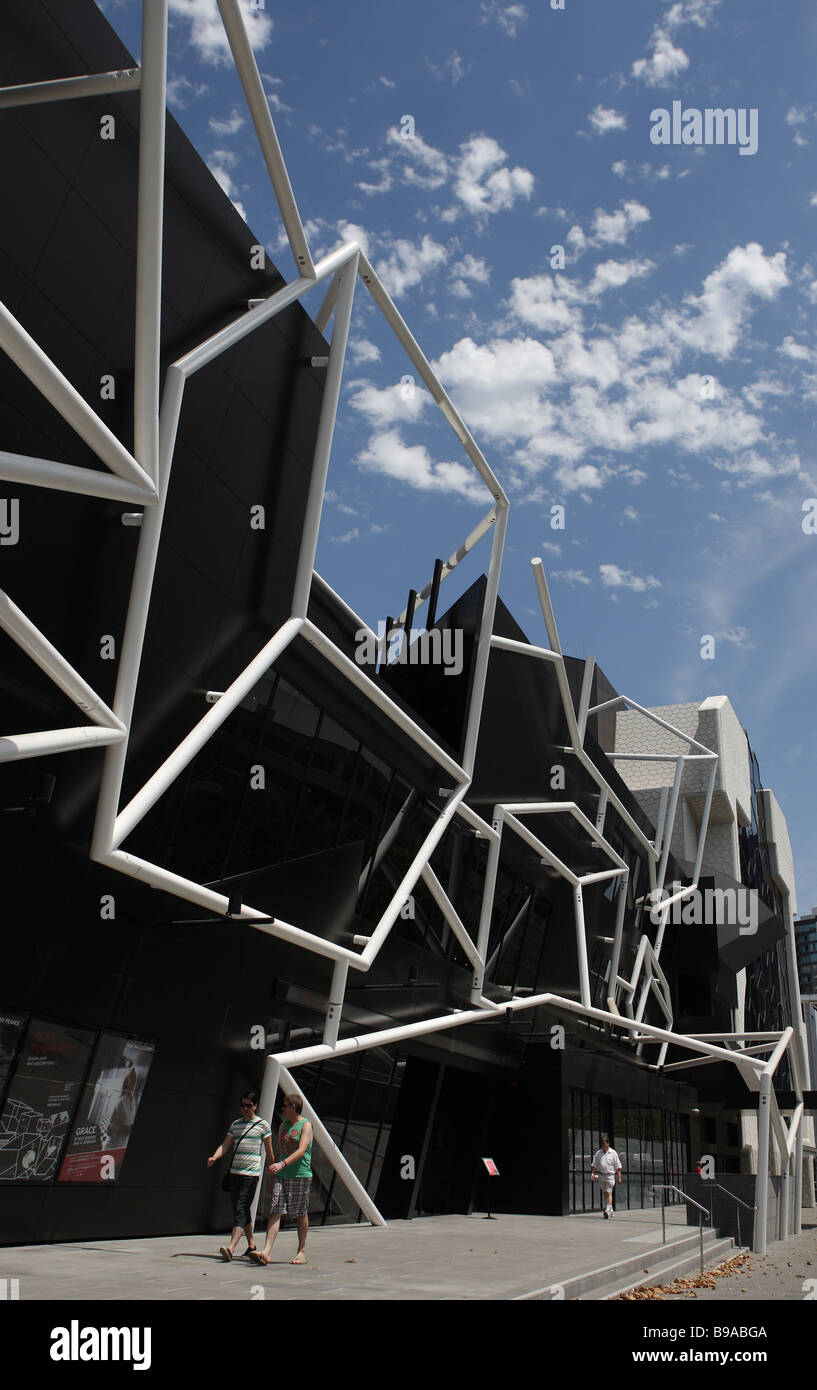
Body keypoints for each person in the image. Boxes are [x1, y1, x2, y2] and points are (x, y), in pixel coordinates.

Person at [207, 1092, 273, 1260]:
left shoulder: (262, 1125)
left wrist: (273, 1167)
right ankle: (251, 1244)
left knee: (240, 1208)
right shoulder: (235, 1124)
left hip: (251, 1175)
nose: (244, 1108)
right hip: (235, 1173)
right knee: (242, 1209)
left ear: (255, 1106)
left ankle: (231, 1248)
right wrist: (215, 1156)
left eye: (248, 1105)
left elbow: (269, 1149)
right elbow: (225, 1144)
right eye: (242, 1105)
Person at [251, 1093, 313, 1266]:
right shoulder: (284, 1125)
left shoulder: (306, 1125)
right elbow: (279, 1150)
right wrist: (274, 1175)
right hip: (282, 1175)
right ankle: (266, 1251)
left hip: (300, 1175)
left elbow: (301, 1151)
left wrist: (282, 1164)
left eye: (285, 1105)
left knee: (300, 1213)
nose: (282, 1109)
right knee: (276, 1209)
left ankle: (301, 1251)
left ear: (293, 1107)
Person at [591, 1135, 623, 1218]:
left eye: (604, 1143)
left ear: (608, 1143)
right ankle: (611, 1210)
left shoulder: (613, 1153)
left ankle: (607, 1210)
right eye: (602, 1143)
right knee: (605, 1193)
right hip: (601, 1176)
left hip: (610, 1176)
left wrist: (619, 1177)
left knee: (608, 1192)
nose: (603, 1145)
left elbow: (618, 1166)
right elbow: (594, 1164)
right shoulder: (598, 1153)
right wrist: (592, 1173)